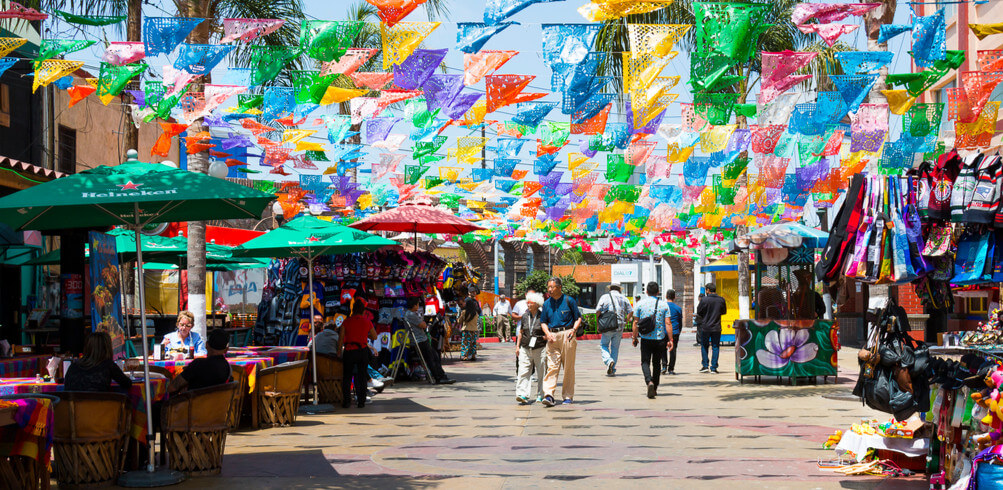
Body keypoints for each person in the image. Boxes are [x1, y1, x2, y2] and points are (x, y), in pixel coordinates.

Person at [540, 277, 582, 407]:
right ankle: (549, 395)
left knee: (568, 367)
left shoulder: (569, 301)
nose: (549, 290)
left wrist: (573, 330)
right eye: (548, 287)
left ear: (559, 287)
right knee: (552, 366)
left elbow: (578, 318)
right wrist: (547, 334)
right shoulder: (547, 304)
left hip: (567, 335)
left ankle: (568, 396)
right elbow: (543, 322)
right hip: (552, 336)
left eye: (552, 287)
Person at [631, 282, 671, 399]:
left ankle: (649, 382)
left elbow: (635, 322)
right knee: (657, 363)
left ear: (646, 292)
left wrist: (634, 337)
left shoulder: (640, 304)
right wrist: (671, 339)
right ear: (658, 292)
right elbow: (668, 323)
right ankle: (655, 387)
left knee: (645, 362)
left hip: (646, 338)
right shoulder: (664, 305)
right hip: (660, 339)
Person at [403, 297, 454, 385]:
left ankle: (441, 376)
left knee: (435, 357)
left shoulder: (409, 314)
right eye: (417, 304)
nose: (418, 306)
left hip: (421, 339)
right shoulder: (411, 314)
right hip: (420, 340)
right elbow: (423, 325)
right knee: (433, 358)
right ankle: (439, 377)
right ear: (414, 305)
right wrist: (424, 323)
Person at [64, 332, 132, 392]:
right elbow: (127, 384)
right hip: (100, 405)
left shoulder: (73, 366)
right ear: (107, 348)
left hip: (74, 405)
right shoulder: (108, 365)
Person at [339, 300, 378, 408]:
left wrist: (338, 352)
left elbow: (341, 338)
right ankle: (361, 401)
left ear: (353, 309)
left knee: (347, 377)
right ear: (363, 310)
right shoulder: (367, 321)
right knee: (362, 376)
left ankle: (346, 401)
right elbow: (374, 337)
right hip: (362, 351)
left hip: (349, 350)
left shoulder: (346, 322)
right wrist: (366, 336)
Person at [168, 329, 232, 393]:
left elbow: (173, 387)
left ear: (206, 345)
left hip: (195, 402)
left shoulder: (198, 364)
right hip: (219, 402)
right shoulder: (227, 367)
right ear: (226, 349)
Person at [515, 292, 547, 404]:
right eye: (527, 302)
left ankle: (541, 394)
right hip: (525, 347)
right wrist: (517, 347)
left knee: (541, 371)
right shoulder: (524, 316)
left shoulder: (543, 316)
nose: (528, 304)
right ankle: (522, 394)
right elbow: (521, 332)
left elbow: (547, 331)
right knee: (523, 371)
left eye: (530, 302)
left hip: (540, 348)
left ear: (537, 304)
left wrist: (545, 337)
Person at [595, 282, 632, 376]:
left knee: (604, 345)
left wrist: (598, 324)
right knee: (615, 347)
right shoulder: (624, 298)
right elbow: (631, 311)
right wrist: (626, 321)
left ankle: (608, 361)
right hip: (620, 325)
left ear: (610, 288)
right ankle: (612, 368)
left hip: (608, 325)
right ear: (619, 289)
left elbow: (598, 311)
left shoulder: (604, 297)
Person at [696, 283, 727, 374]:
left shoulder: (704, 300)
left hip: (705, 327)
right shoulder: (721, 300)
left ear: (708, 290)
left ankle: (705, 366)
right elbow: (724, 311)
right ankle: (714, 367)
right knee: (715, 346)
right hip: (716, 327)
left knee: (704, 346)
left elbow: (699, 311)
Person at [664, 289, 684, 375]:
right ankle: (671, 369)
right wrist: (679, 331)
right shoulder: (678, 308)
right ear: (674, 297)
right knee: (673, 350)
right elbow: (680, 322)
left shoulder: (662, 307)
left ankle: (664, 366)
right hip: (675, 332)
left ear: (666, 296)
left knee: (662, 350)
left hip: (664, 331)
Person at [459, 285, 481, 361]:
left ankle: (466, 355)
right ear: (469, 293)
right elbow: (479, 310)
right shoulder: (470, 301)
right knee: (472, 342)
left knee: (466, 342)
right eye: (472, 292)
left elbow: (460, 319)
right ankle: (472, 355)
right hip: (473, 327)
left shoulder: (471, 303)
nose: (473, 293)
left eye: (474, 292)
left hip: (467, 328)